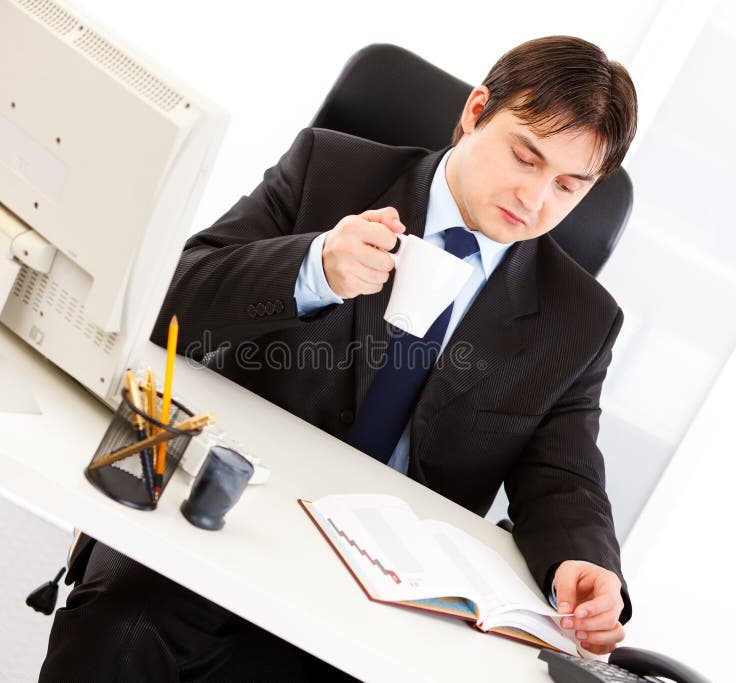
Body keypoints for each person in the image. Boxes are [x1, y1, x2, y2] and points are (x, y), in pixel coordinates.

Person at [41, 35, 638, 681]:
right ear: (475, 111)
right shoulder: (326, 170)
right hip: (224, 513)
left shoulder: (581, 320)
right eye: (525, 157)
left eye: (569, 187)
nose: (535, 199)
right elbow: (168, 300)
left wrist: (583, 560)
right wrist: (310, 269)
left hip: (378, 584)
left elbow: (564, 475)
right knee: (126, 631)